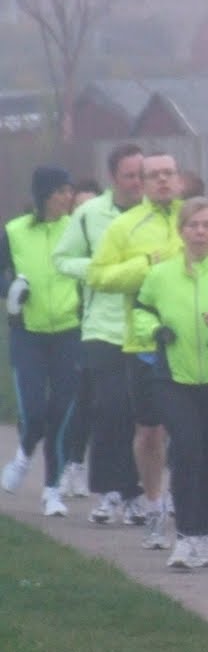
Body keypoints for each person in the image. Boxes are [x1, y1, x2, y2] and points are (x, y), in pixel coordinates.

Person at [87, 150, 192, 544]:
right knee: (149, 432)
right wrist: (147, 264)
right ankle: (153, 504)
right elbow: (98, 276)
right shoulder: (125, 226)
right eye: (154, 175)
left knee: (190, 431)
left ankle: (188, 506)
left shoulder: (196, 219)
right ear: (143, 184)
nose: (163, 180)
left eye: (169, 173)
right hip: (144, 343)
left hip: (193, 343)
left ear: (179, 179)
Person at [132, 197, 208, 571]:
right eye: (194, 225)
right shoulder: (161, 275)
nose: (200, 232)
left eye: (207, 225)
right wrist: (156, 330)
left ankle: (202, 533)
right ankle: (186, 535)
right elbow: (140, 312)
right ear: (181, 231)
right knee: (187, 448)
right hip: (174, 376)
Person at [52, 144, 145, 523]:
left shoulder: (156, 215)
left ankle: (136, 491)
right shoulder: (90, 214)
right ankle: (112, 491)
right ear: (113, 178)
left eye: (141, 174)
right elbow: (61, 259)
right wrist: (99, 270)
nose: (137, 182)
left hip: (146, 326)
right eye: (129, 175)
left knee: (140, 413)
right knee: (110, 408)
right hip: (102, 327)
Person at [1, 166, 82, 516]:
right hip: (28, 333)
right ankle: (22, 457)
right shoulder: (14, 231)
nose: (68, 197)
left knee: (61, 412)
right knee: (34, 411)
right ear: (44, 194)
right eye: (61, 191)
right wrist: (11, 289)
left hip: (69, 331)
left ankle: (52, 491)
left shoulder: (76, 228)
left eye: (69, 190)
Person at [56, 177, 105, 499]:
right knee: (78, 400)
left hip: (100, 330)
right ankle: (71, 464)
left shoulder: (108, 242)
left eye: (90, 205)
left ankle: (86, 466)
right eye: (79, 206)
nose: (84, 212)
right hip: (70, 329)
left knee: (98, 402)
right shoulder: (67, 243)